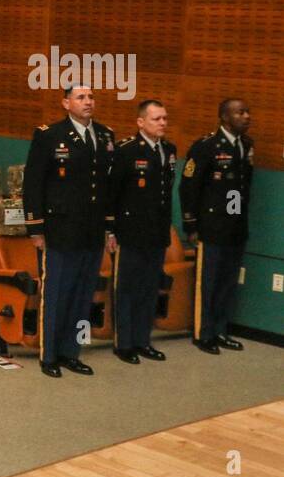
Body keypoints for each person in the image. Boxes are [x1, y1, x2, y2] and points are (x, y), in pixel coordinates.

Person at [22, 85, 115, 378]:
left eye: (91, 97)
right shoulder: (49, 135)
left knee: (83, 294)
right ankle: (49, 355)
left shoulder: (105, 135)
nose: (88, 102)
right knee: (57, 294)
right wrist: (35, 228)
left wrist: (109, 227)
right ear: (66, 103)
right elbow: (33, 183)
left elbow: (107, 187)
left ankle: (72, 352)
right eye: (81, 98)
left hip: (92, 229)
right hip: (60, 229)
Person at [180, 98, 254, 355]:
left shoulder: (246, 145)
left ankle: (221, 330)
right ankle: (204, 333)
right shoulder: (206, 146)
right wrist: (190, 223)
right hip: (211, 227)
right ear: (224, 117)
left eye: (247, 112)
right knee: (208, 282)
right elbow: (189, 185)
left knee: (227, 283)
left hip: (235, 227)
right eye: (240, 112)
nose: (246, 116)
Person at [107, 99, 177, 363]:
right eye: (156, 119)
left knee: (149, 288)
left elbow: (164, 193)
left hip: (156, 231)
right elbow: (112, 194)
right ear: (140, 122)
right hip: (129, 231)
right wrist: (110, 230)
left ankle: (142, 340)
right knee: (126, 289)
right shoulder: (126, 150)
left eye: (164, 118)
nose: (162, 123)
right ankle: (124, 344)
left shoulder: (169, 149)